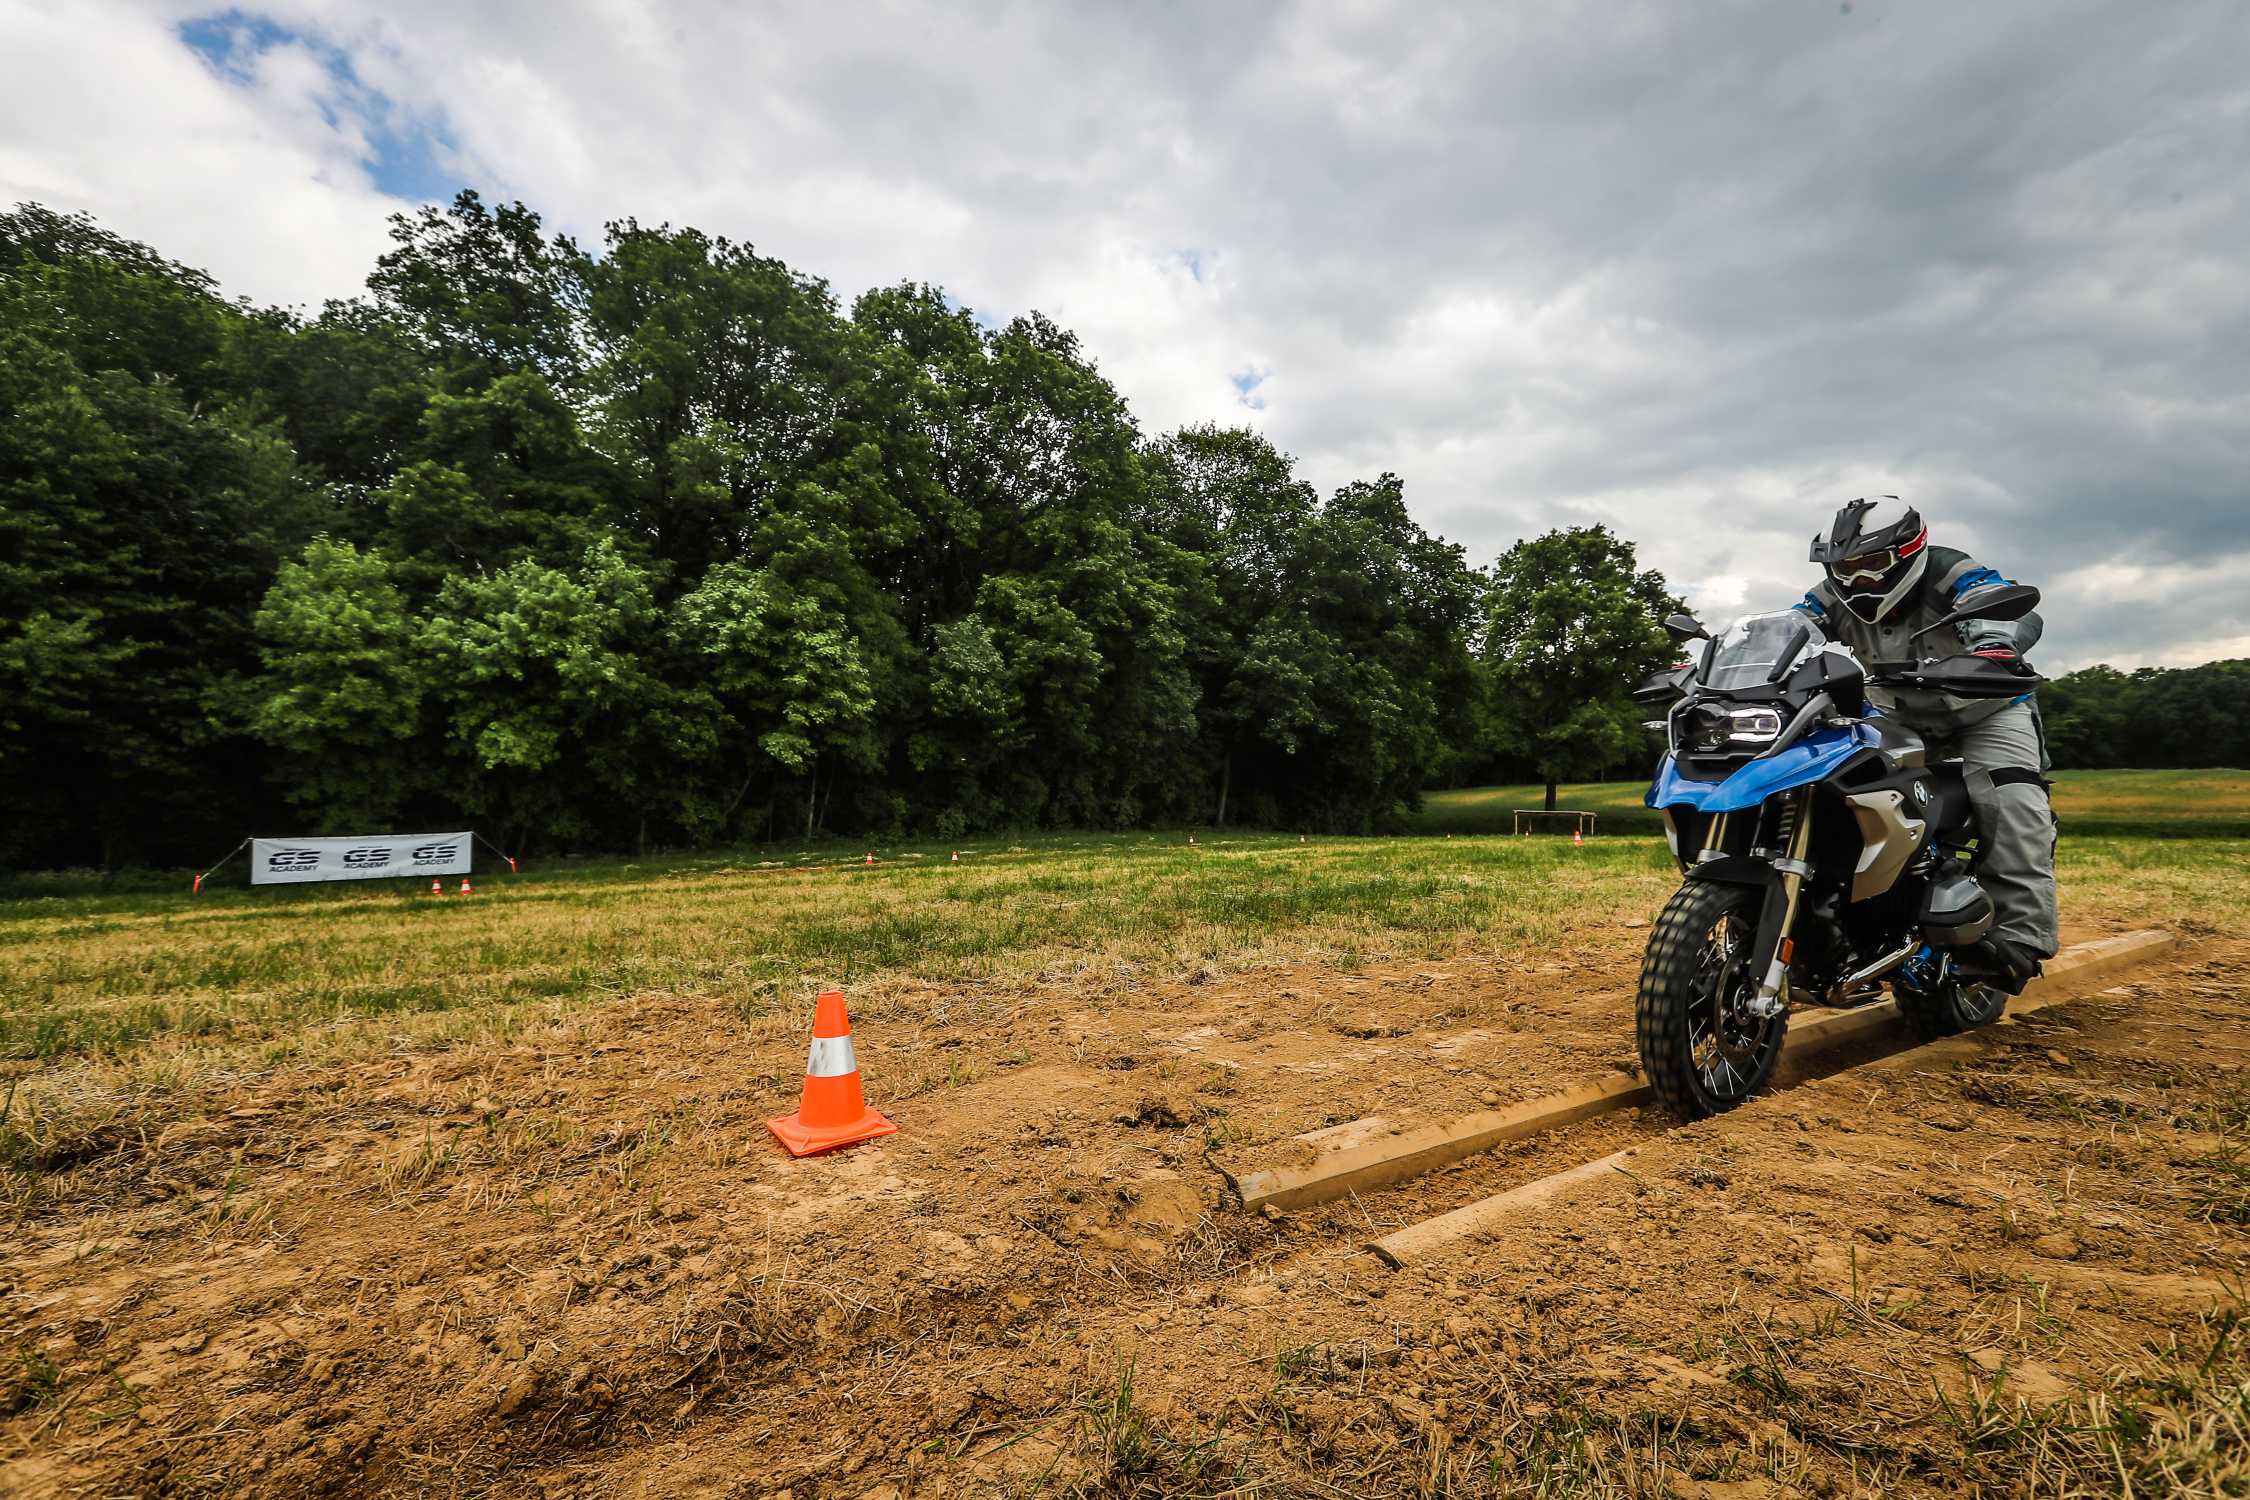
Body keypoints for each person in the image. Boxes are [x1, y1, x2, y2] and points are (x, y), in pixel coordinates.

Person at [1796, 497, 2057, 991]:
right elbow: (1791, 628)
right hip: (1895, 712)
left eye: (1873, 562)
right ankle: (1843, 919)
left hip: (1986, 708)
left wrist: (1995, 646)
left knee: (2011, 799)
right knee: (1835, 789)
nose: (1859, 579)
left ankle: (2018, 938)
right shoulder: (1829, 595)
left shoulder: (1949, 570)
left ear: (1909, 550)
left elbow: (1998, 599)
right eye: (1846, 568)